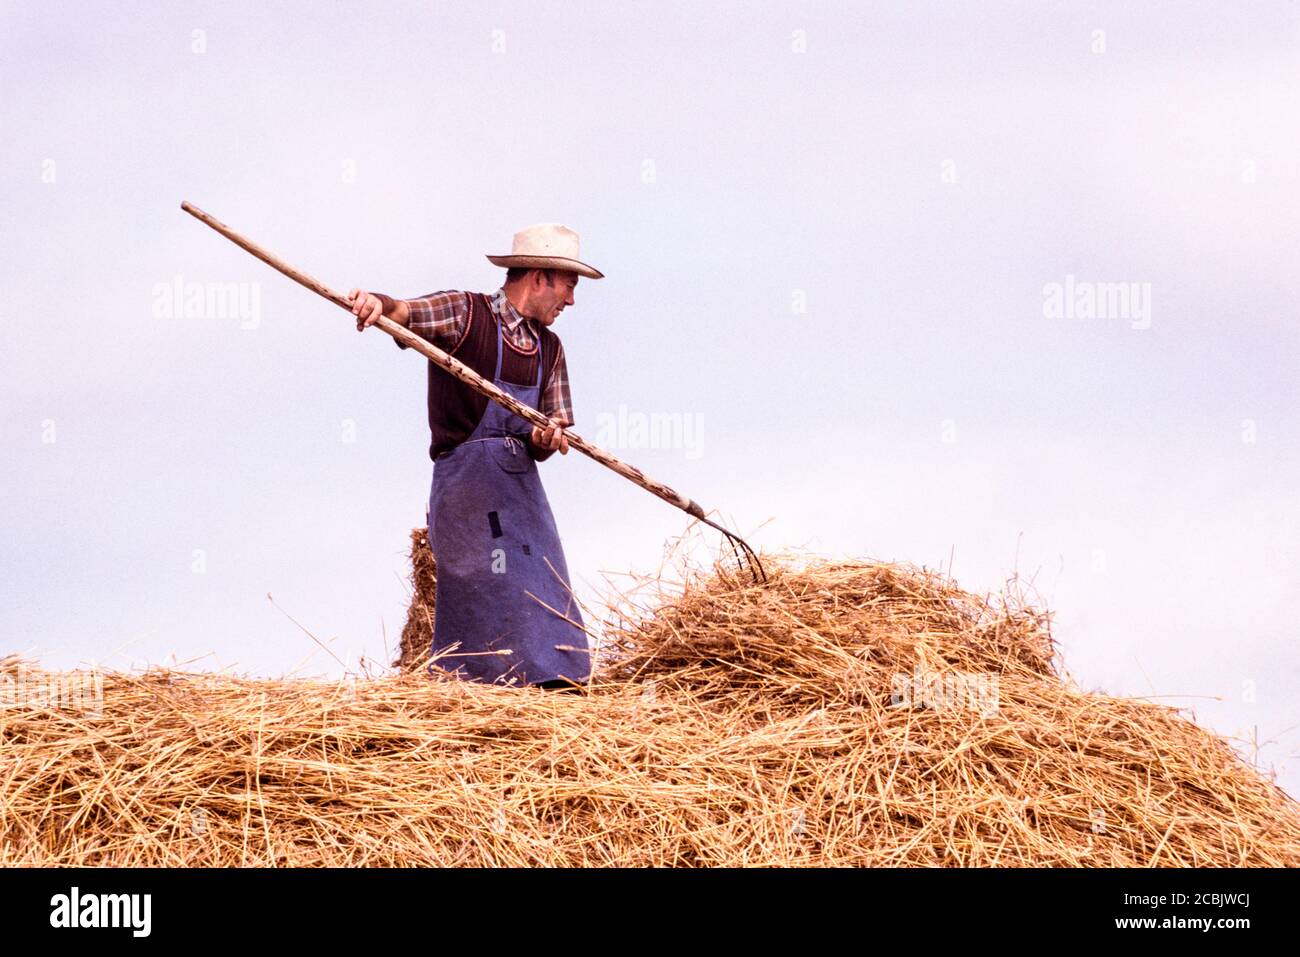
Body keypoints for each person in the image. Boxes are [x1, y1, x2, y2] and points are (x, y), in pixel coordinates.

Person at [348, 224, 602, 692]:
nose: (570, 301)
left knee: (546, 593)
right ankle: (476, 695)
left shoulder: (550, 349)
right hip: (467, 489)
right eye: (569, 286)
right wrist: (376, 304)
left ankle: (558, 690)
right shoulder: (467, 314)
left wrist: (546, 438)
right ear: (541, 277)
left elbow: (550, 434)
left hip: (521, 495)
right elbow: (404, 313)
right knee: (489, 592)